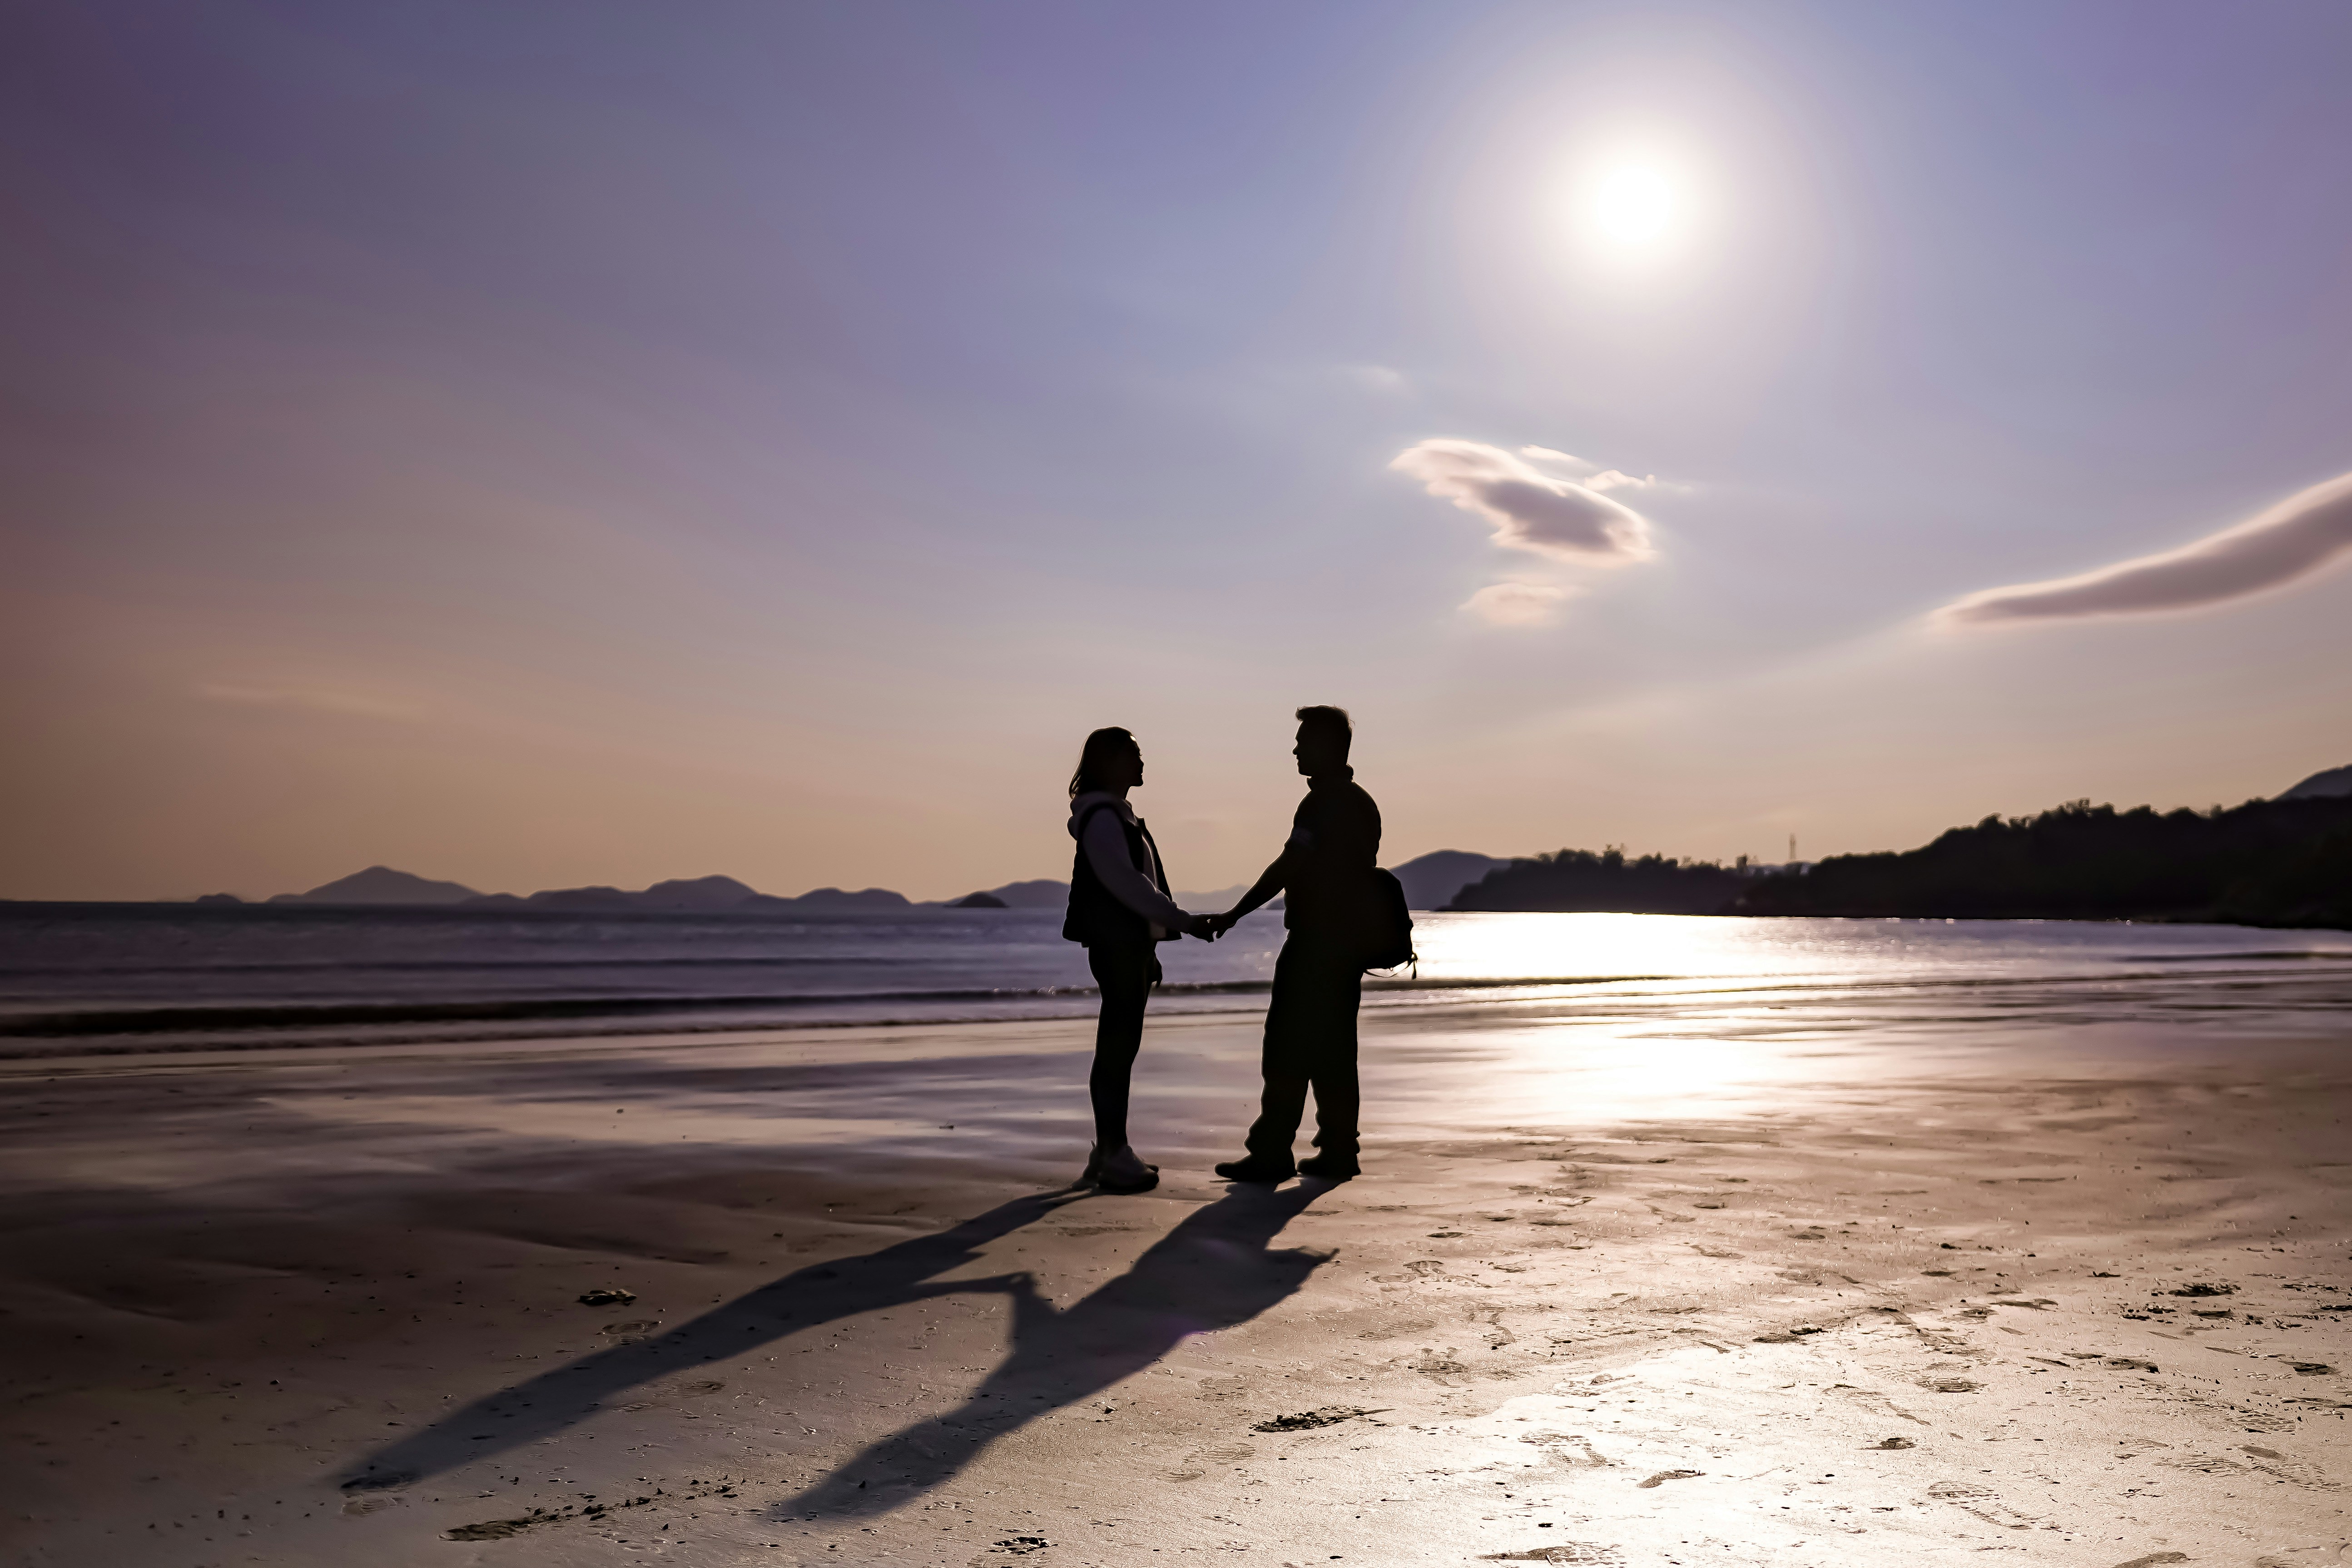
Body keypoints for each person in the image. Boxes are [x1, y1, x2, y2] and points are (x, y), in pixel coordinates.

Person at [1206, 705, 1379, 1183]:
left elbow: (1290, 866)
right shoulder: (1363, 803)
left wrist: (1236, 912)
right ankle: (1340, 1149)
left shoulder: (1321, 804)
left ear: (1327, 746)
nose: (1296, 748)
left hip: (1315, 943)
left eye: (1304, 740)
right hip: (1347, 947)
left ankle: (1272, 1151)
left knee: (1285, 1046)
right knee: (1334, 1050)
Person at [1063, 726, 1216, 1193]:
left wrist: (1151, 947)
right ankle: (1113, 1151)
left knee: (1119, 1047)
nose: (1143, 763)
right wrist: (1184, 921)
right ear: (1110, 762)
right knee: (1116, 1048)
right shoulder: (1105, 819)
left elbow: (1134, 888)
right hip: (1116, 947)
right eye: (1134, 755)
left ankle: (1109, 1149)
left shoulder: (1116, 817)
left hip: (1128, 947)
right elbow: (1129, 886)